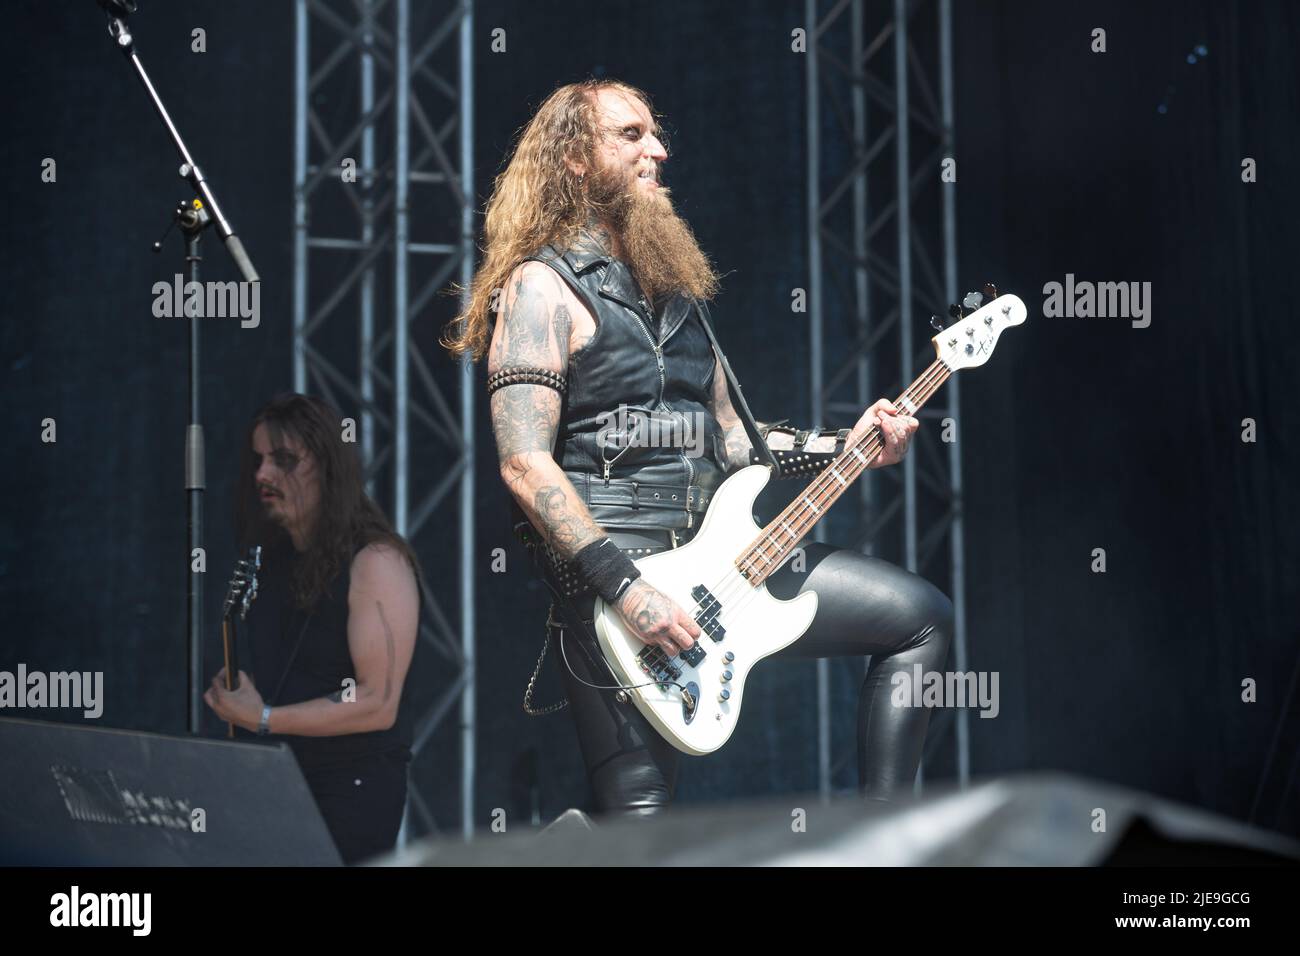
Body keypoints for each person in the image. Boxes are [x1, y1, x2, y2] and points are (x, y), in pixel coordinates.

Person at [442, 78, 953, 818]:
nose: (658, 148)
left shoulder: (674, 293)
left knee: (918, 616)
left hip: (725, 558)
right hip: (620, 578)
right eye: (632, 135)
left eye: (656, 134)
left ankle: (884, 836)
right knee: (640, 822)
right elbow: (524, 463)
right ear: (575, 160)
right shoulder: (539, 288)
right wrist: (628, 588)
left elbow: (739, 440)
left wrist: (849, 444)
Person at [203, 393, 421, 862]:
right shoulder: (274, 557)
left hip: (349, 787)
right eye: (259, 460)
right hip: (279, 776)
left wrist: (262, 718)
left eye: (283, 460)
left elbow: (377, 703)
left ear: (327, 467)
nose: (263, 475)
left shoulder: (376, 560)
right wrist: (248, 692)